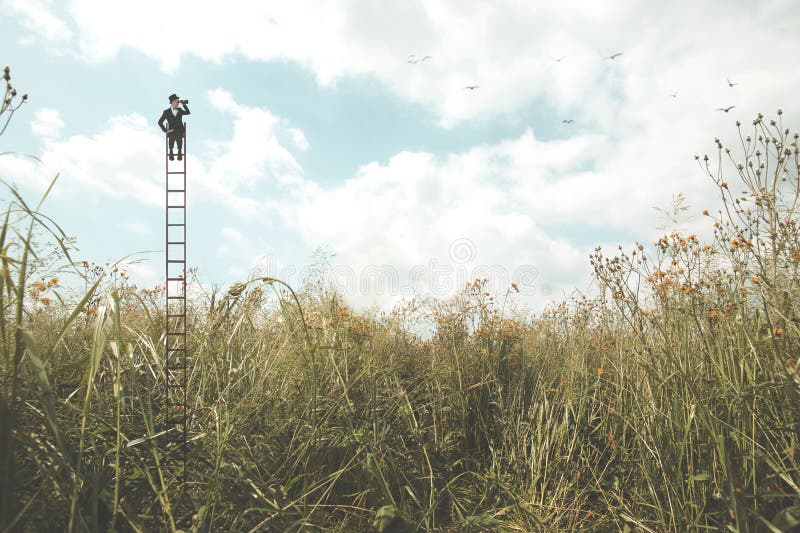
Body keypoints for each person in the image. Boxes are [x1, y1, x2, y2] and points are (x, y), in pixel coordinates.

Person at [158, 94, 190, 160]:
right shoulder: (166, 112)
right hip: (171, 130)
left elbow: (188, 112)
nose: (178, 102)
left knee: (179, 138)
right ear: (172, 102)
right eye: (176, 101)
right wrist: (165, 130)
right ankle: (171, 151)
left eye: (178, 101)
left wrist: (184, 104)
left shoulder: (180, 109)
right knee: (171, 138)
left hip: (179, 130)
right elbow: (160, 122)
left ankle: (179, 151)